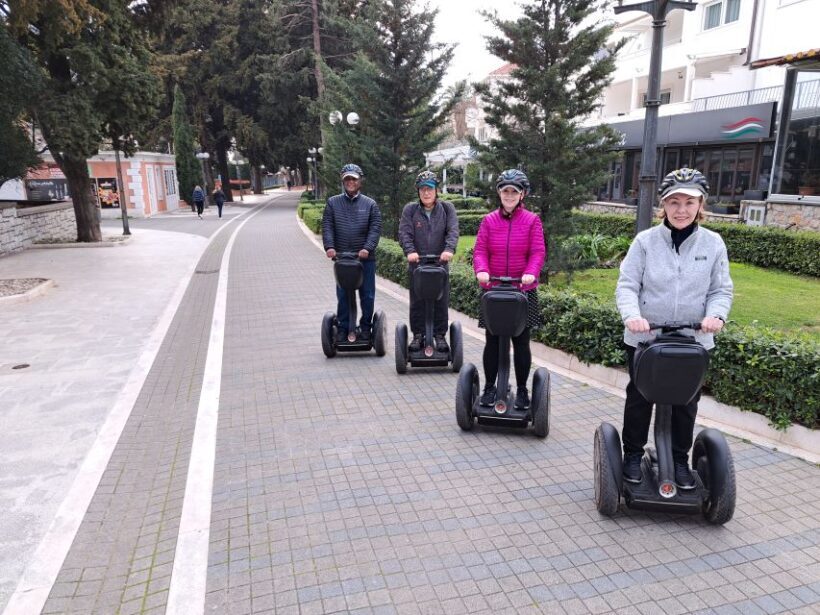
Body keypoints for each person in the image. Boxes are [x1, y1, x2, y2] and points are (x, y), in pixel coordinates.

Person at [615, 167, 733, 490]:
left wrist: (717, 316)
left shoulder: (713, 243)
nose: (681, 210)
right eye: (673, 202)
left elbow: (720, 290)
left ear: (701, 205)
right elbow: (626, 285)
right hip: (646, 338)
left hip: (693, 341)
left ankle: (680, 460)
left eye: (689, 202)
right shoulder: (645, 242)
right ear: (662, 205)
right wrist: (631, 315)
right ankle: (632, 454)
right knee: (640, 398)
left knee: (686, 403)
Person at [473, 169, 546, 410]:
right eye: (505, 191)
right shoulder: (489, 221)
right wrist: (481, 270)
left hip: (522, 291)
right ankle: (489, 387)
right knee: (492, 341)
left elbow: (537, 252)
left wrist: (530, 273)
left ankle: (523, 390)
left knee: (521, 342)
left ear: (522, 194)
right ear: (499, 193)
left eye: (514, 191)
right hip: (493, 289)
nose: (509, 195)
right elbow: (480, 251)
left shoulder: (532, 220)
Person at [398, 170, 459, 352]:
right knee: (417, 302)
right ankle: (418, 335)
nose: (426, 193)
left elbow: (453, 231)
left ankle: (440, 335)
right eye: (423, 189)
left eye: (430, 189)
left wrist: (448, 250)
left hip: (439, 266)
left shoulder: (447, 209)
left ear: (436, 191)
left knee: (441, 301)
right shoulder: (410, 210)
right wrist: (410, 251)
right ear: (418, 191)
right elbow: (404, 233)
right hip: (418, 265)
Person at [322, 163, 382, 342]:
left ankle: (365, 327)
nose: (350, 182)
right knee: (343, 295)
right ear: (343, 181)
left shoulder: (370, 204)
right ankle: (342, 328)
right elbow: (327, 227)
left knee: (367, 295)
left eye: (353, 179)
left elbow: (375, 228)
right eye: (347, 179)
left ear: (360, 181)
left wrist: (367, 248)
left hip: (365, 260)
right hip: (342, 259)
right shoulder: (333, 203)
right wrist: (329, 247)